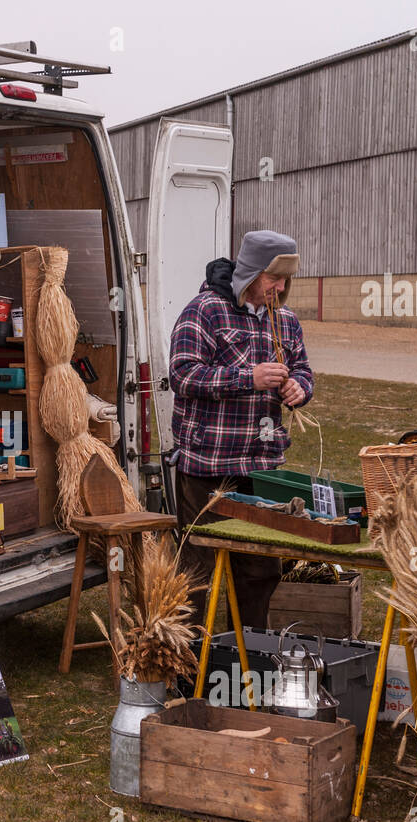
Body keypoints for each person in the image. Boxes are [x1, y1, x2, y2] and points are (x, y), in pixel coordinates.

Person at [168, 230, 314, 631]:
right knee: (198, 570)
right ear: (250, 273)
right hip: (209, 464)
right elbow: (182, 375)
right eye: (273, 279)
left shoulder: (284, 320)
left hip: (261, 470)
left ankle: (246, 655)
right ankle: (188, 663)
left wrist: (300, 388)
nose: (280, 289)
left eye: (286, 281)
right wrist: (246, 378)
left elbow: (302, 369)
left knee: (261, 568)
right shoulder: (205, 311)